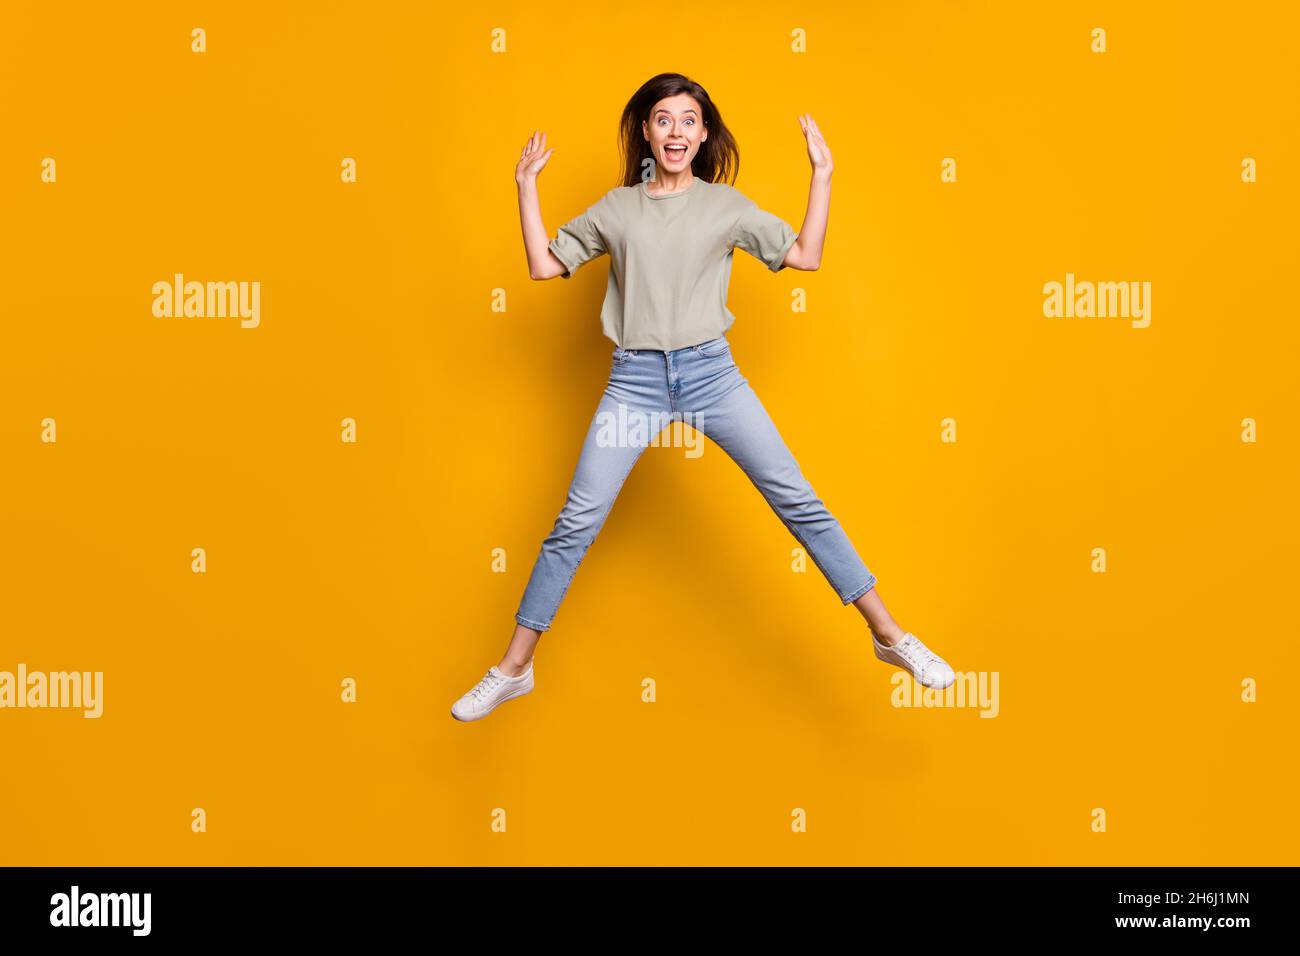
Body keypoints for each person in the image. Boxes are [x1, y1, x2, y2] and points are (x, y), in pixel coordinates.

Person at [452, 73, 954, 722]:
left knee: (797, 499)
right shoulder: (618, 208)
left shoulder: (725, 206)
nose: (676, 133)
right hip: (633, 383)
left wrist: (822, 176)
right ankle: (512, 669)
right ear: (646, 131)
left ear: (705, 133)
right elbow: (545, 266)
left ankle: (891, 637)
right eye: (663, 120)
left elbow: (804, 255)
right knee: (575, 524)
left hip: (711, 376)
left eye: (689, 121)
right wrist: (525, 189)